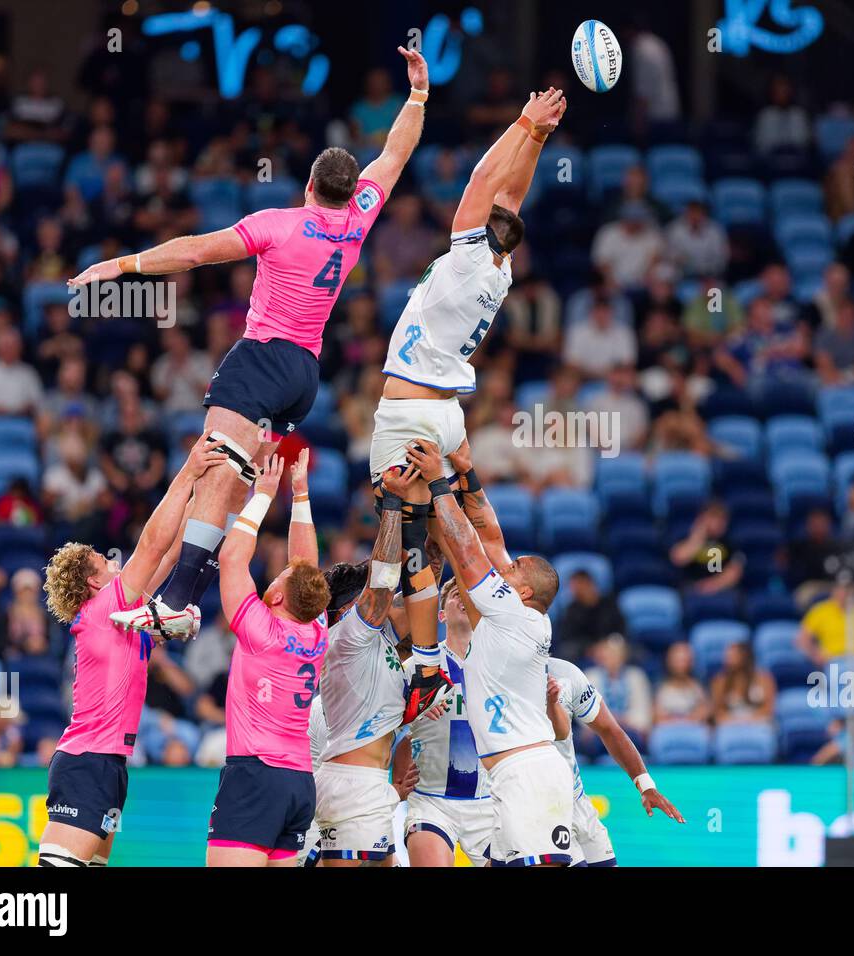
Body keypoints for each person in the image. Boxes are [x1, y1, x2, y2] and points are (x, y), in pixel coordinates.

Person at [69, 48, 430, 639]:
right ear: (349, 188)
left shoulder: (279, 224)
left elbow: (192, 251)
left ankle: (181, 599)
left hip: (262, 358)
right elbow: (396, 152)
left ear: (310, 184)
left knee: (212, 468)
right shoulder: (361, 213)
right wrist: (416, 96)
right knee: (231, 486)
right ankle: (181, 595)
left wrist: (123, 263)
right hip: (305, 376)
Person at [375, 89, 567, 725]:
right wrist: (536, 142)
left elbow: (488, 180)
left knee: (404, 534)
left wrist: (521, 123)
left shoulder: (465, 261)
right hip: (445, 409)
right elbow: (508, 198)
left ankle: (426, 663)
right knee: (448, 530)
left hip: (411, 412)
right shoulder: (498, 271)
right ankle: (435, 648)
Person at [36, 434, 229, 867]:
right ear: (93, 583)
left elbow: (173, 547)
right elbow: (154, 545)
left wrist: (211, 492)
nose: (112, 560)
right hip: (88, 760)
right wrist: (189, 470)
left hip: (110, 763)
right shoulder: (105, 606)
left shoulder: (123, 609)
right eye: (103, 562)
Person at [405, 437, 574, 866]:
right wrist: (469, 475)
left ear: (522, 590)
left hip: (527, 773)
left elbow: (467, 550)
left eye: (514, 568)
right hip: (513, 774)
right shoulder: (519, 615)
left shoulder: (508, 613)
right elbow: (491, 538)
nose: (506, 564)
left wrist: (438, 483)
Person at [205, 450, 332, 867]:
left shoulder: (261, 630)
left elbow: (230, 557)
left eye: (276, 577)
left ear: (277, 595)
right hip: (298, 782)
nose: (274, 575)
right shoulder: (315, 630)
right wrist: (300, 495)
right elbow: (306, 568)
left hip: (255, 775)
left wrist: (260, 496)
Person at [309, 465, 421, 867]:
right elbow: (383, 581)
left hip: (370, 786)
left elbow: (423, 588)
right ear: (345, 610)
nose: (392, 606)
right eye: (381, 603)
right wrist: (391, 504)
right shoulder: (346, 638)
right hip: (350, 785)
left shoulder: (383, 644)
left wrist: (428, 507)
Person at [396, 578, 497, 867]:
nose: (463, 600)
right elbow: (386, 727)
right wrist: (412, 715)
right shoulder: (419, 667)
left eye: (469, 595)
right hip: (431, 801)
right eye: (454, 595)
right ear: (441, 614)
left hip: (488, 802)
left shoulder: (498, 665)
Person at [546, 655, 684, 867]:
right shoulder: (499, 679)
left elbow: (610, 730)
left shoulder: (567, 674)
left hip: (577, 799)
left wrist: (646, 786)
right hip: (543, 805)